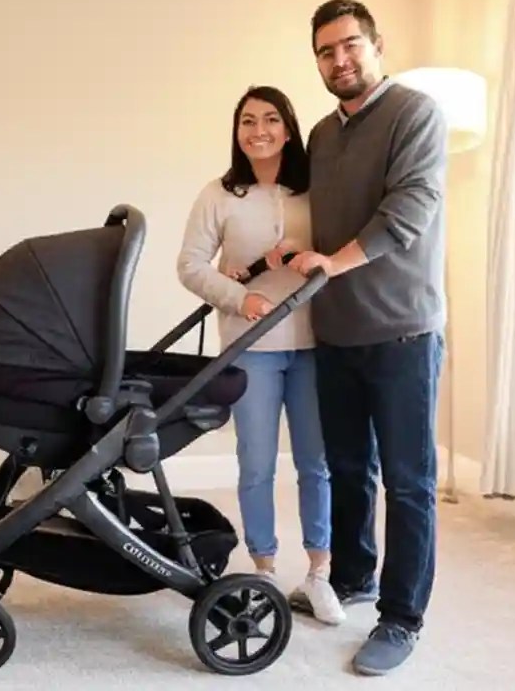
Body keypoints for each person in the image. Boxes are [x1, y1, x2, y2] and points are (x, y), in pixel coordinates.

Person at [277, 0, 449, 676]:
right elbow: (311, 219)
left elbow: (405, 213)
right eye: (325, 51)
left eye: (350, 45)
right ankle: (352, 576)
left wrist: (331, 262)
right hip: (336, 330)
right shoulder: (322, 135)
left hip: (403, 331)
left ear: (376, 45)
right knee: (348, 467)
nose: (339, 59)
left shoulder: (417, 114)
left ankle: (402, 619)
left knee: (409, 483)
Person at [176, 85, 346, 626]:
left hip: (315, 345)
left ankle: (319, 572)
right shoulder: (219, 195)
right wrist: (237, 296)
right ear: (237, 131)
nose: (259, 130)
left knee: (316, 464)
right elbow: (191, 265)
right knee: (256, 464)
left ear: (289, 129)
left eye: (271, 120)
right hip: (252, 348)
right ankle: (265, 571)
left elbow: (338, 256)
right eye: (248, 121)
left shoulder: (317, 191)